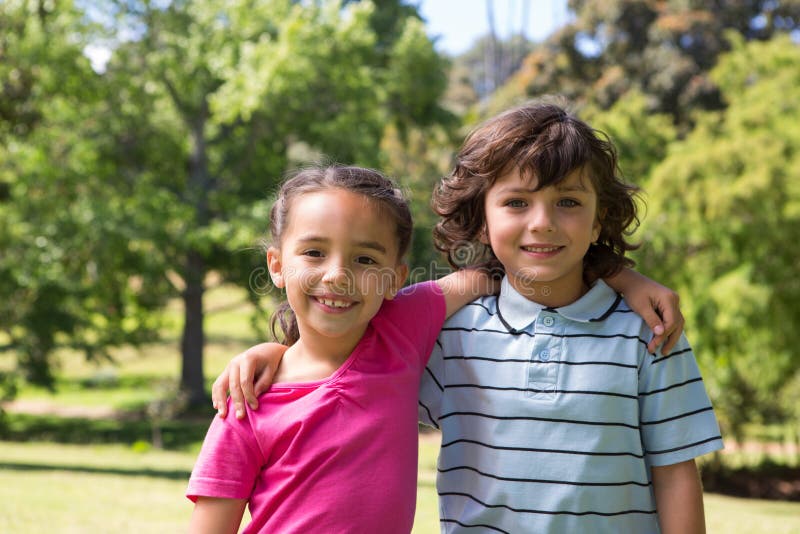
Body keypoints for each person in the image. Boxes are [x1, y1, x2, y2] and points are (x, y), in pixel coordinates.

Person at [213, 101, 721, 533]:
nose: (542, 223)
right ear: (482, 220)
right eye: (516, 202)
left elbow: (676, 474)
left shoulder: (649, 331)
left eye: (568, 202)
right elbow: (340, 352)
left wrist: (622, 277)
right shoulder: (446, 334)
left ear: (598, 220)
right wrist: (273, 353)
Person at [187, 165, 499, 533]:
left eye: (365, 259)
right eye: (314, 252)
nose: (337, 275)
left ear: (394, 279)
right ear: (277, 265)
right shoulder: (247, 401)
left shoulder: (400, 331)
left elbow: (492, 273)